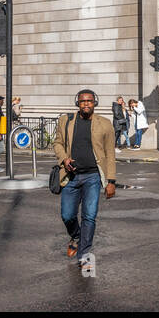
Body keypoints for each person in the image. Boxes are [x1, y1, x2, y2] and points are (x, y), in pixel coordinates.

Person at [53, 89, 116, 265]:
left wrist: (111, 181)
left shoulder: (105, 124)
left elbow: (110, 153)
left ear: (94, 103)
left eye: (89, 101)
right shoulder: (66, 120)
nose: (86, 104)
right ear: (77, 103)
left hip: (93, 177)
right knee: (67, 215)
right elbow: (57, 143)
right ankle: (77, 235)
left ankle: (84, 254)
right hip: (71, 176)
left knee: (89, 216)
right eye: (82, 101)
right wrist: (64, 159)